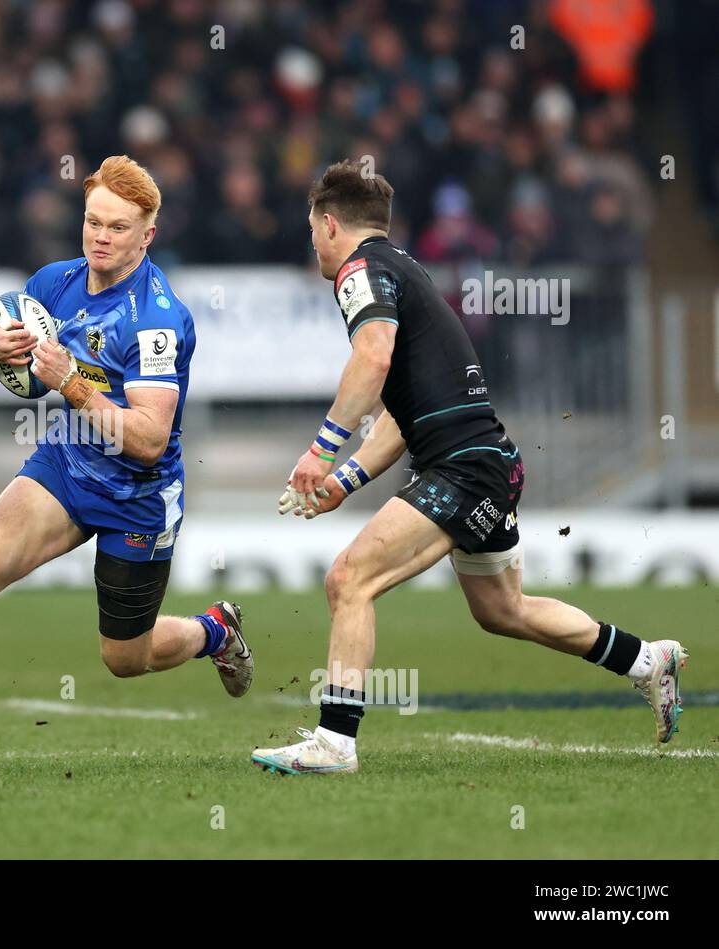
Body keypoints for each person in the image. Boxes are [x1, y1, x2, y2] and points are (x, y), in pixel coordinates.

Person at [255, 159, 686, 775]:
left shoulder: (361, 271)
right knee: (502, 610)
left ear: (328, 225)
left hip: (463, 470)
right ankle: (647, 661)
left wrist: (321, 449)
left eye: (311, 228)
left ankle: (335, 743)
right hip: (486, 463)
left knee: (349, 579)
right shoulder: (403, 269)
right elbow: (403, 417)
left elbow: (371, 360)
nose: (312, 241)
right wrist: (345, 480)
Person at [0, 156, 252, 757]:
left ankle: (213, 631)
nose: (100, 237)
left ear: (148, 235)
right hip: (65, 466)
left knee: (124, 657)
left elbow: (146, 439)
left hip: (137, 495)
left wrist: (71, 384)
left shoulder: (157, 323)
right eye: (93, 222)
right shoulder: (51, 286)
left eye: (118, 228)